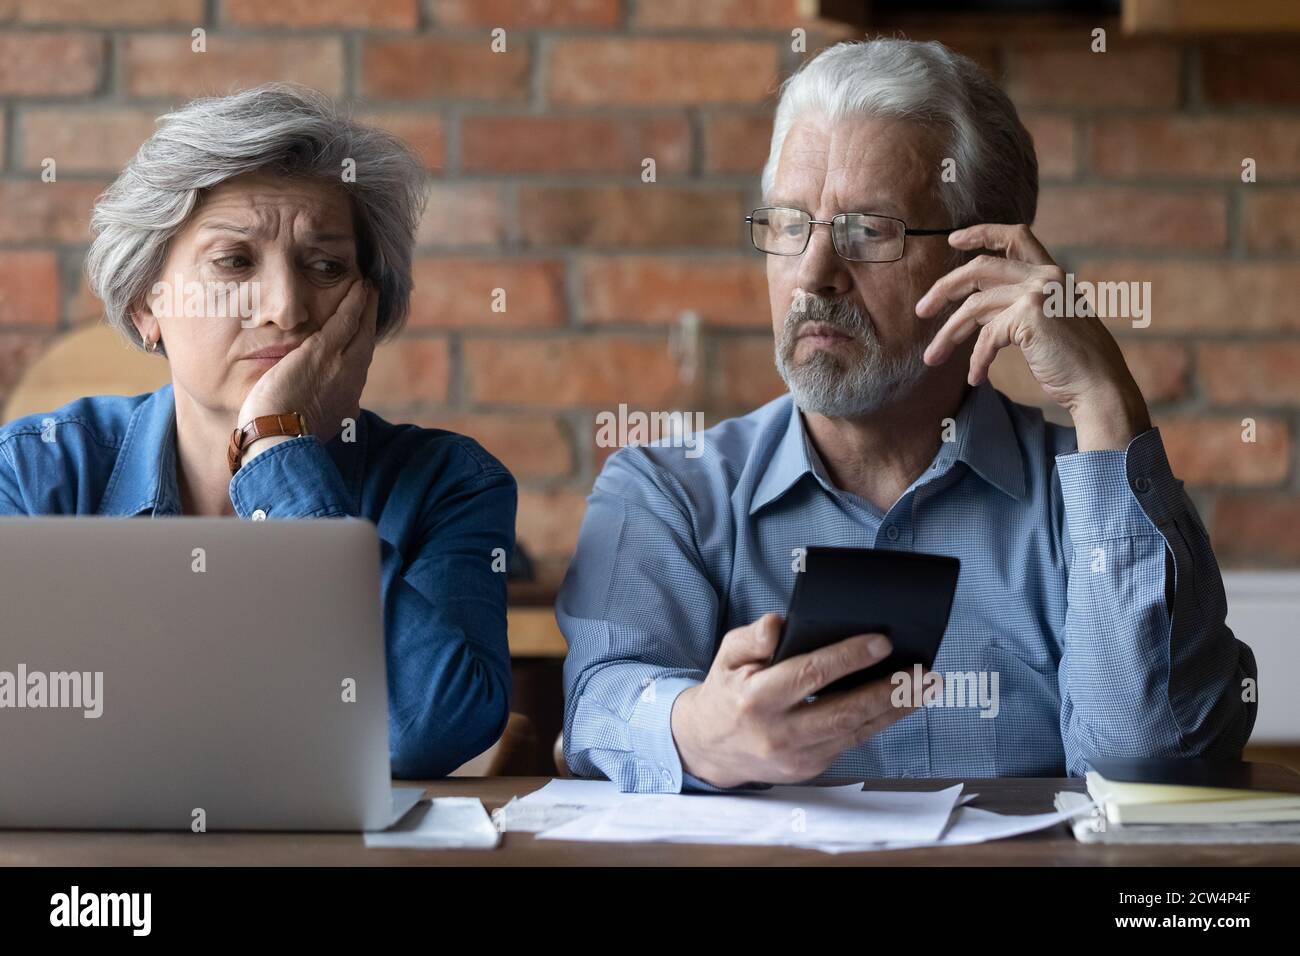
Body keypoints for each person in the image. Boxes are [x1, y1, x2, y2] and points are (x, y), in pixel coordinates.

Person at [558, 39, 1257, 792]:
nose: (814, 277)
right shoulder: (668, 492)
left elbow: (1152, 761)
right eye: (792, 225)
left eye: (869, 231)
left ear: (983, 262)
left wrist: (1105, 401)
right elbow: (598, 706)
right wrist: (695, 731)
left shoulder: (1083, 505)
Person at [0, 84, 515, 778]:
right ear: (146, 303)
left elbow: (430, 729)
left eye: (327, 267)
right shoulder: (35, 475)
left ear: (369, 307)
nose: (287, 307)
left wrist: (278, 449)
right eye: (234, 262)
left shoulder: (451, 486)